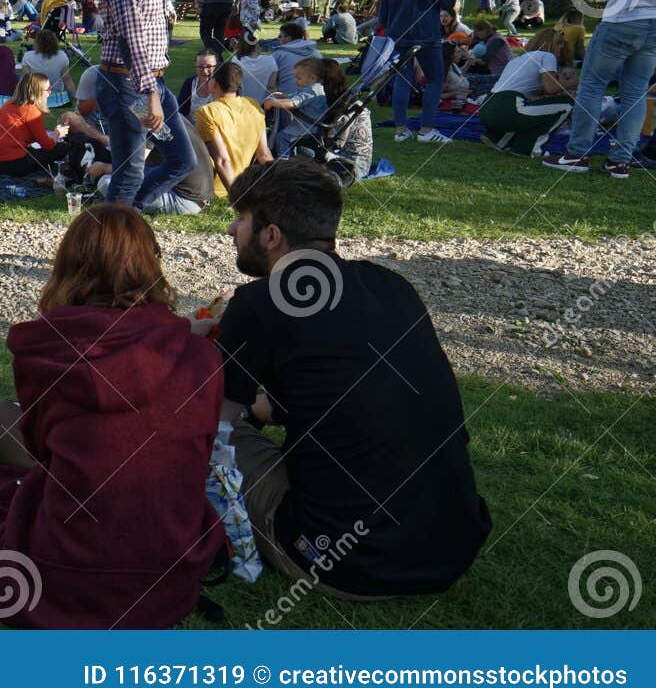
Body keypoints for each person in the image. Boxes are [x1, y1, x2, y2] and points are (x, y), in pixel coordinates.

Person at [0, 203, 225, 628]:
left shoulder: (52, 349)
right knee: (2, 435)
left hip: (66, 570)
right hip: (166, 574)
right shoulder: (200, 357)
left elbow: (41, 451)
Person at [215, 160, 491, 598]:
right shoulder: (392, 286)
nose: (232, 231)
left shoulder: (257, 303)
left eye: (241, 219)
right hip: (452, 546)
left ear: (271, 235)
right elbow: (334, 387)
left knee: (206, 434)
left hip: (341, 562)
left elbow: (215, 424)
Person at [545, 0, 656, 179]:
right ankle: (621, 161)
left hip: (623, 20)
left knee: (592, 86)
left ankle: (577, 154)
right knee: (635, 92)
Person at [95, 0, 188, 206]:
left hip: (151, 81)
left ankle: (126, 222)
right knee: (130, 172)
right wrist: (150, 94)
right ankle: (109, 247)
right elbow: (131, 40)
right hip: (129, 84)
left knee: (182, 160)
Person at [379, 0, 457, 144]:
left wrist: (390, 29)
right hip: (425, 33)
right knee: (435, 78)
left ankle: (401, 130)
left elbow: (383, 11)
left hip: (397, 33)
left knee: (402, 79)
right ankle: (426, 130)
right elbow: (448, 2)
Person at [477, 27, 576, 157]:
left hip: (486, 108)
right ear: (550, 44)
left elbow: (533, 91)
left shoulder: (518, 59)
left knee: (531, 109)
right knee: (567, 103)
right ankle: (532, 148)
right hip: (508, 106)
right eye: (560, 43)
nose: (562, 47)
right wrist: (578, 81)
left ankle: (497, 138)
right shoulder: (547, 55)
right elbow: (551, 88)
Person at [195, 61, 272, 197]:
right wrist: (280, 182)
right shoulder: (253, 105)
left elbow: (222, 160)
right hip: (242, 183)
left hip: (214, 189)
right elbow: (264, 154)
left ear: (214, 82)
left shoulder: (207, 112)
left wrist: (237, 199)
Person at [0, 73, 72, 179]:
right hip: (6, 163)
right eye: (48, 89)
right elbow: (48, 145)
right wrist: (58, 133)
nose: (50, 92)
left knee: (37, 150)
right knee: (62, 148)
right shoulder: (31, 110)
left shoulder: (9, 103)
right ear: (36, 92)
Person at [264, 56, 330, 157]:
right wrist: (283, 96)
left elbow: (292, 103)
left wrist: (271, 102)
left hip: (307, 127)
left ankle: (283, 160)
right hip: (313, 126)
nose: (296, 81)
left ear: (312, 78)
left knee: (282, 137)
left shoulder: (311, 91)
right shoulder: (317, 88)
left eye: (299, 78)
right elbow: (296, 97)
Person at [19, 28, 74, 109]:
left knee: (18, 75)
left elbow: (25, 80)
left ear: (37, 43)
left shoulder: (27, 56)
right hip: (56, 93)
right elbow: (67, 79)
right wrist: (74, 95)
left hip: (35, 95)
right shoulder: (62, 56)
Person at [175, 49, 221, 120]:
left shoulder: (223, 84)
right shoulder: (190, 83)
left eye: (209, 67)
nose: (205, 71)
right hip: (191, 128)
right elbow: (180, 110)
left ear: (217, 66)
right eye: (200, 67)